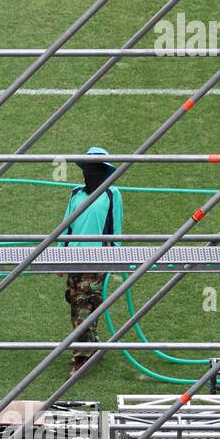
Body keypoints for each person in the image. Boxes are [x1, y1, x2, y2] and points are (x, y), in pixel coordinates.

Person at [59, 147, 123, 373]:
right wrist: (59, 255)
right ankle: (92, 346)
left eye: (93, 169)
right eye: (87, 168)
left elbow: (116, 230)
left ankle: (82, 359)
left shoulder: (112, 194)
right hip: (72, 260)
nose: (88, 173)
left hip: (97, 261)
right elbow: (66, 225)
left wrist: (116, 259)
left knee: (85, 308)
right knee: (77, 307)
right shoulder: (76, 193)